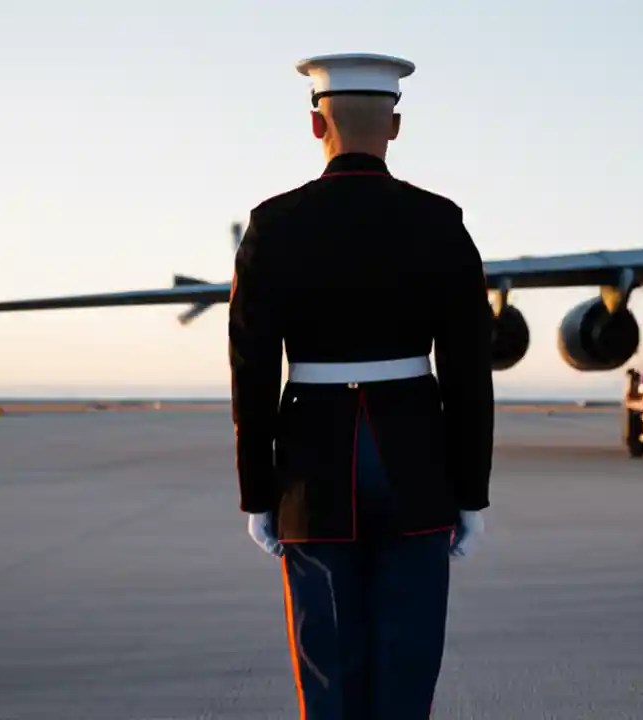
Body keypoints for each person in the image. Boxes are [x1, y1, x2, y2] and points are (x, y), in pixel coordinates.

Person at [227, 53, 495, 720]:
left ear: (315, 123)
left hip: (315, 465)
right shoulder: (441, 221)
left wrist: (258, 491)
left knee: (329, 665)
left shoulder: (273, 224)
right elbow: (468, 367)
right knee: (406, 661)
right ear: (395, 127)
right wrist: (471, 490)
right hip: (415, 458)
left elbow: (252, 369)